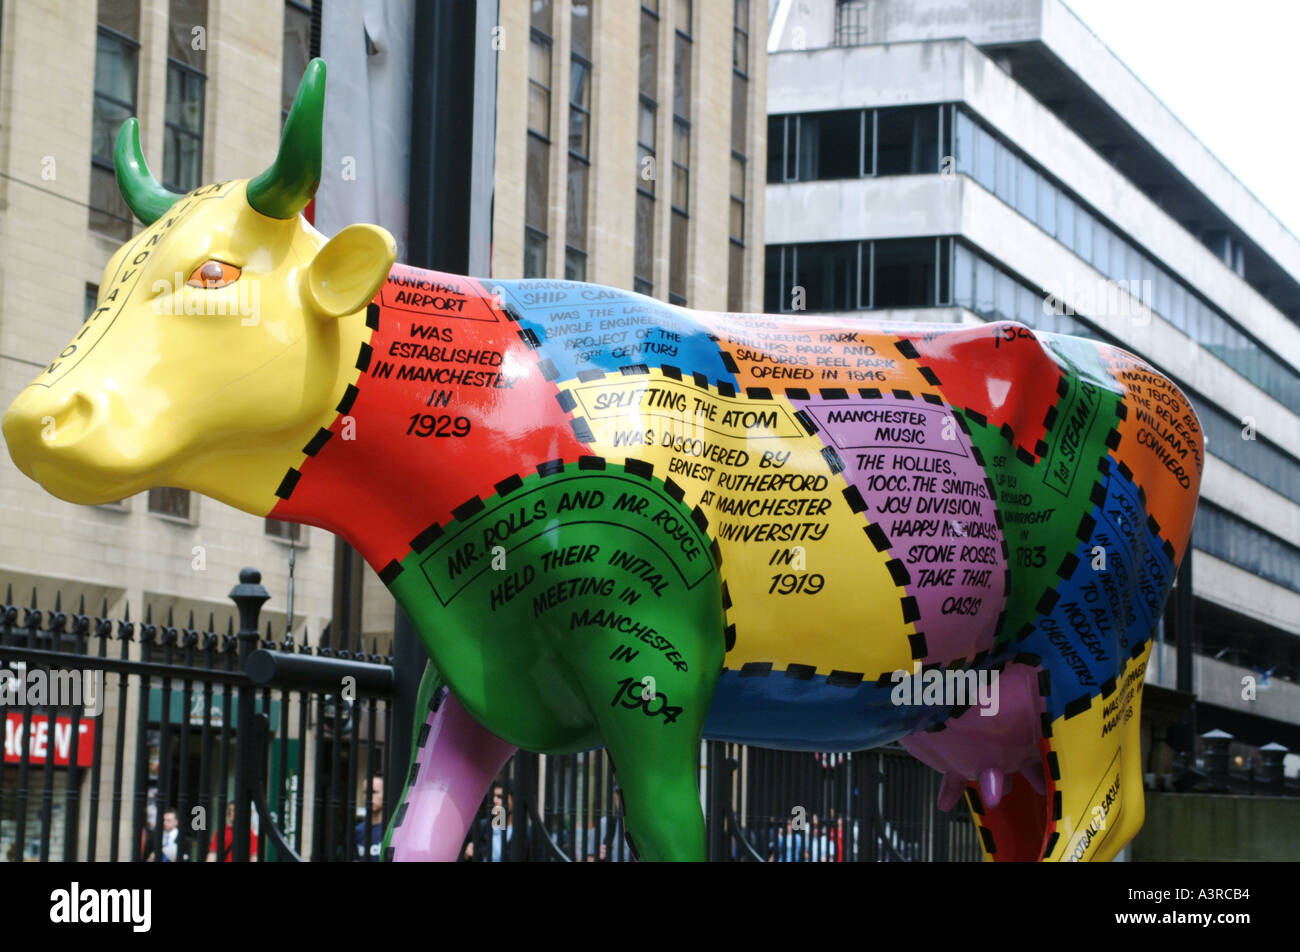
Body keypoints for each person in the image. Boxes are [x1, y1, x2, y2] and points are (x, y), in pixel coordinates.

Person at [354, 777, 384, 861]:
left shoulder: (392, 830)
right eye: (365, 792)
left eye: (374, 792)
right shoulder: (358, 830)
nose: (369, 797)